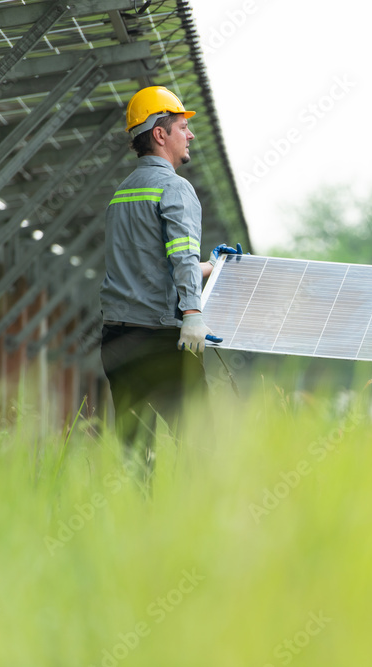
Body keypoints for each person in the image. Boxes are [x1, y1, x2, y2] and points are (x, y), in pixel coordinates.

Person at [99, 86, 243, 447]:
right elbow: (179, 257)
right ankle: (197, 506)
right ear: (160, 135)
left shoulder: (123, 193)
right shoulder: (174, 188)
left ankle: (133, 505)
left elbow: (152, 264)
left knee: (133, 451)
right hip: (161, 339)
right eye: (182, 127)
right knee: (199, 446)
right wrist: (193, 314)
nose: (190, 134)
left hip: (117, 338)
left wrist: (209, 266)